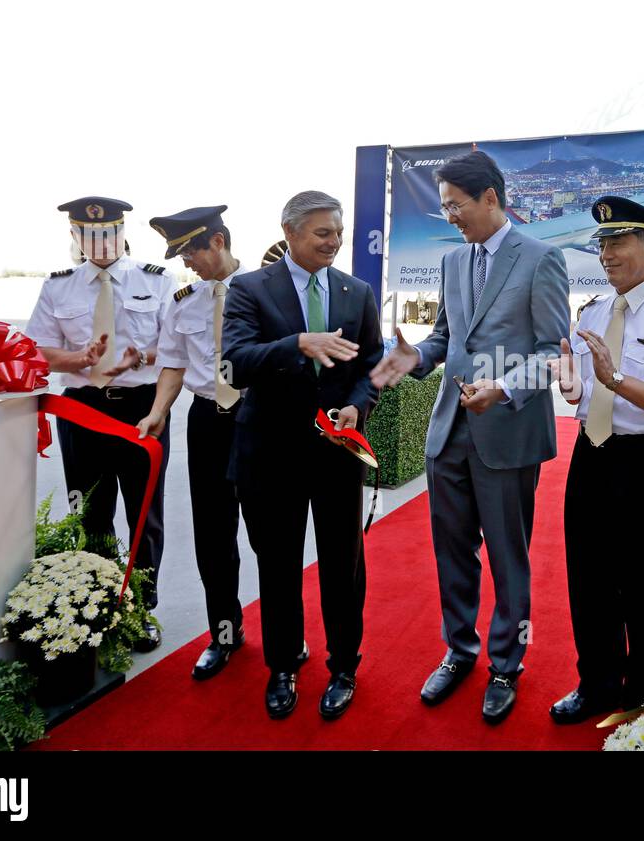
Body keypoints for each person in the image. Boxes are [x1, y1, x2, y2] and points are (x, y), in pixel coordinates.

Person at [369, 150, 569, 724]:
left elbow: (553, 352)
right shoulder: (454, 262)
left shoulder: (541, 258)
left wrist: (503, 389)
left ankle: (507, 664)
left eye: (456, 205)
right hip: (450, 430)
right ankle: (460, 650)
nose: (450, 216)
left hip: (506, 432)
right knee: (452, 551)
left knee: (508, 556)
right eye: (443, 208)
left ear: (490, 198)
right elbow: (445, 337)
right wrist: (416, 358)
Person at [222, 190, 383, 721]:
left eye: (338, 232)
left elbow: (371, 366)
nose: (334, 242)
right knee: (279, 565)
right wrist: (298, 344)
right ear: (289, 232)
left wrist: (357, 408)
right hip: (270, 454)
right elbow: (236, 364)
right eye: (322, 233)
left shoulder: (356, 292)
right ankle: (284, 664)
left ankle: (343, 666)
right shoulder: (249, 289)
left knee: (343, 564)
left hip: (337, 454)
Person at [547, 196, 644, 723]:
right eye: (603, 244)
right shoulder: (591, 310)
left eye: (618, 242)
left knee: (643, 583)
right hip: (591, 455)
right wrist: (572, 382)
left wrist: (615, 379)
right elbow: (575, 377)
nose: (607, 253)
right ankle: (596, 683)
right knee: (587, 578)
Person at [27, 196, 173, 652]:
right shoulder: (59, 288)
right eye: (89, 235)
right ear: (75, 237)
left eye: (108, 233)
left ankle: (140, 608)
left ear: (122, 231)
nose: (100, 243)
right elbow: (39, 350)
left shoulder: (158, 280)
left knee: (144, 513)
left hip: (141, 408)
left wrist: (140, 358)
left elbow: (176, 348)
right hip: (83, 409)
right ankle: (99, 604)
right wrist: (80, 357)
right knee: (91, 512)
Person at [136, 206, 248, 680]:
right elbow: (174, 364)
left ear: (217, 242)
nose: (188, 264)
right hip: (207, 421)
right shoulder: (183, 300)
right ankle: (224, 633)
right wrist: (158, 411)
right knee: (213, 536)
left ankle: (287, 633)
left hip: (257, 419)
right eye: (181, 255)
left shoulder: (265, 292)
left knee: (272, 536)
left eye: (192, 252)